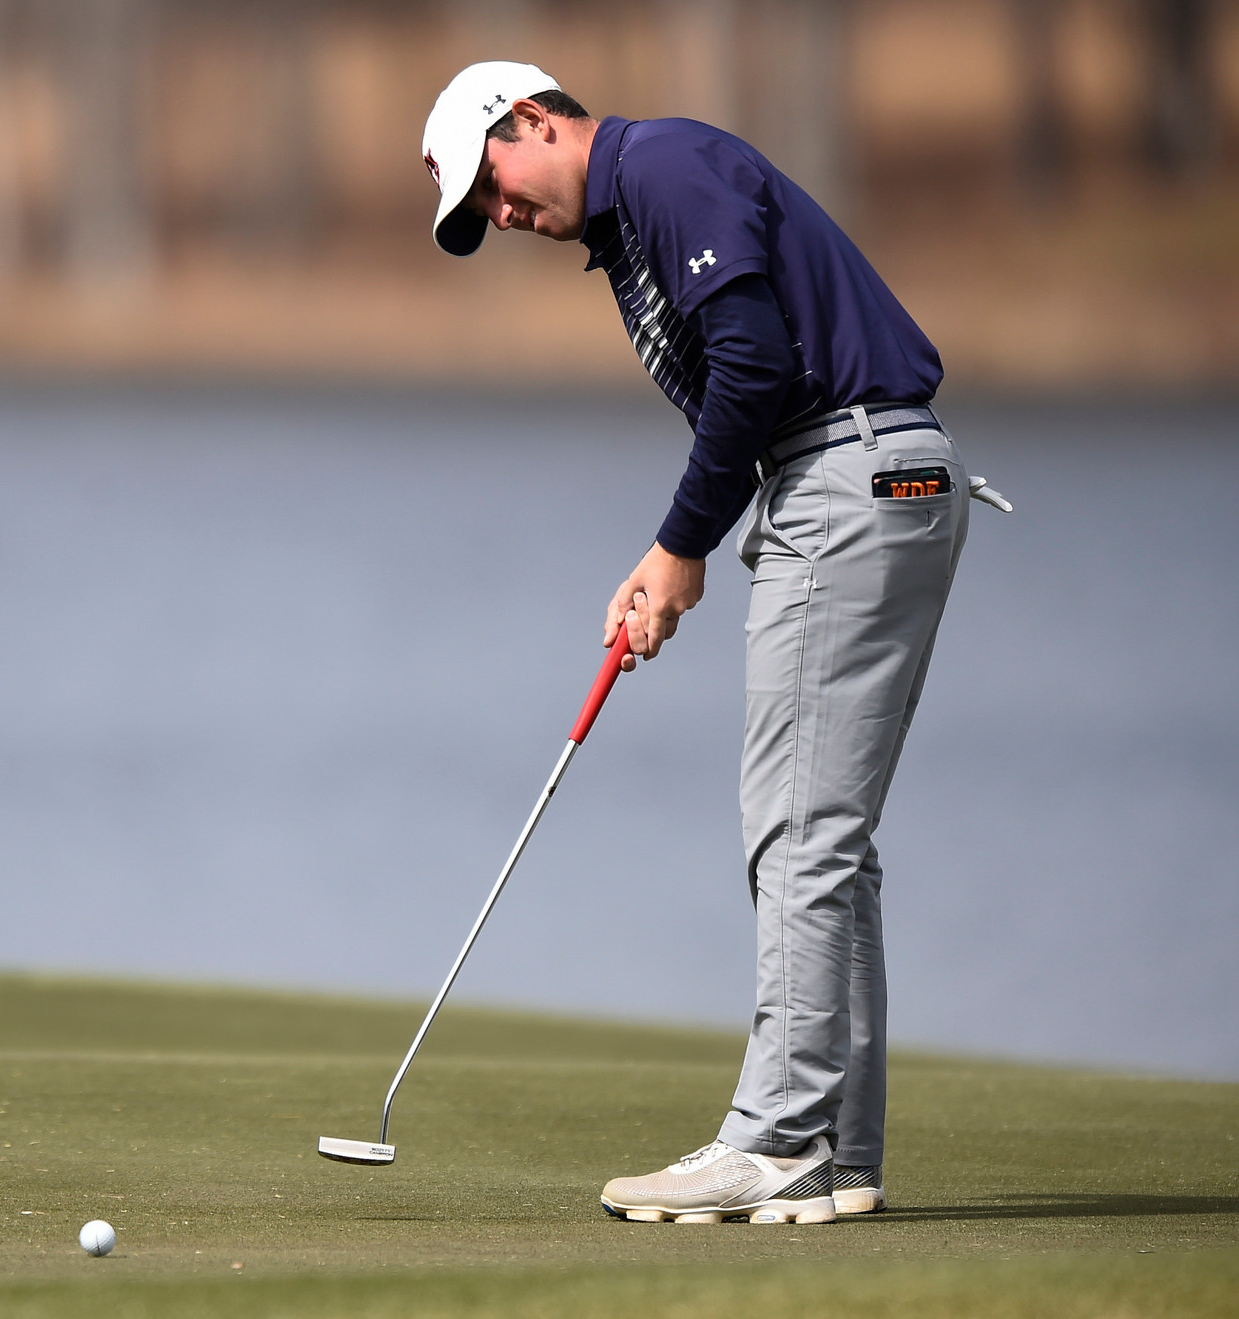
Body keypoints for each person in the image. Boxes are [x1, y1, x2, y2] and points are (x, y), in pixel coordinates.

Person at [420, 61, 1007, 1225]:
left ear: (531, 120)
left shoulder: (662, 165)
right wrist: (670, 559)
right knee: (829, 836)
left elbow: (754, 367)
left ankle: (777, 1136)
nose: (503, 218)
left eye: (492, 187)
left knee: (796, 830)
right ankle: (838, 1151)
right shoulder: (635, 215)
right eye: (481, 219)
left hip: (847, 478)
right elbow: (749, 397)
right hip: (859, 475)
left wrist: (681, 543)